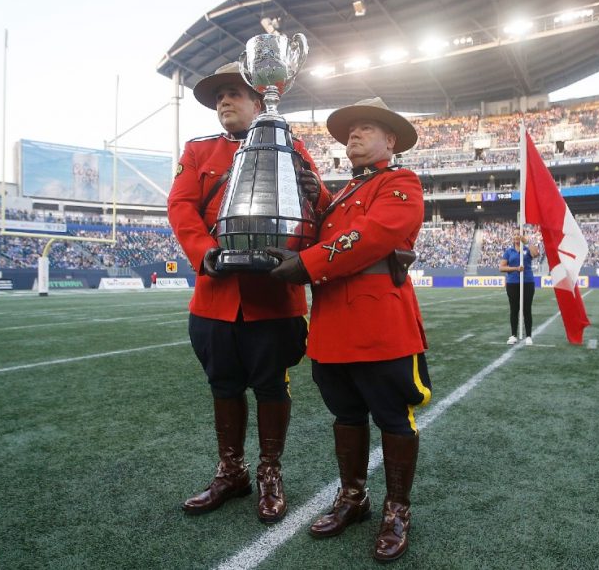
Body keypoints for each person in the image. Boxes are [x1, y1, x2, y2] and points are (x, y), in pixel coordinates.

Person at [267, 97, 430, 562]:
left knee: (393, 417)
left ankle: (397, 509)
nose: (353, 136)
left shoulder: (400, 182)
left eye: (364, 129)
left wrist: (307, 263)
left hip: (381, 325)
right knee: (347, 416)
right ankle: (353, 498)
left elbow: (373, 235)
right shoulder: (340, 194)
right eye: (349, 131)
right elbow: (329, 227)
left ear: (390, 140)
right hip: (333, 326)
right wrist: (313, 193)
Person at [167, 61, 329, 524]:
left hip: (273, 300)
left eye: (233, 93)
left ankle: (269, 473)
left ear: (261, 100)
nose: (223, 101)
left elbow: (320, 210)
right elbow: (180, 208)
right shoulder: (199, 151)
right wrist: (204, 253)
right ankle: (231, 471)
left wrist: (316, 191)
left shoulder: (292, 147)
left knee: (271, 387)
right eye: (218, 96)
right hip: (215, 297)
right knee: (223, 385)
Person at [499, 230, 539, 346]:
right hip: (513, 283)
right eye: (515, 234)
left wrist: (527, 242)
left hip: (527, 282)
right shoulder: (508, 251)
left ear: (522, 236)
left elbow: (536, 254)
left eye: (519, 234)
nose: (517, 236)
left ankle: (528, 336)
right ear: (513, 237)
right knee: (514, 309)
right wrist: (516, 268)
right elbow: (502, 268)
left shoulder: (527, 249)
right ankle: (513, 335)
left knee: (527, 309)